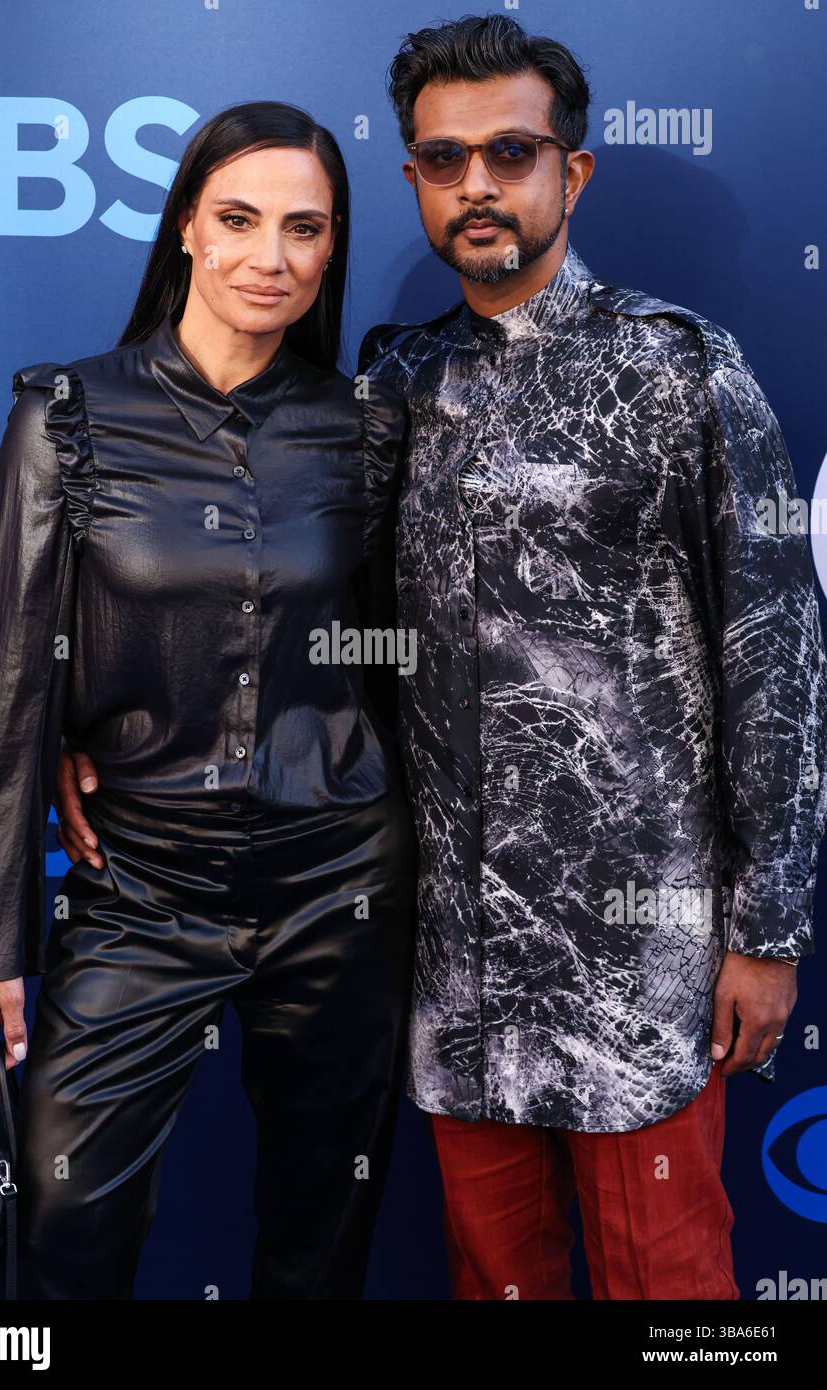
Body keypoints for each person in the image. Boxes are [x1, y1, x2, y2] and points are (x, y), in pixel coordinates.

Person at [354, 15, 825, 1298]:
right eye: (443, 160)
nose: (478, 186)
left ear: (575, 171)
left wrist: (767, 930)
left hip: (644, 963)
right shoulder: (397, 384)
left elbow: (775, 656)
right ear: (413, 182)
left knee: (668, 1286)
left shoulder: (678, 368)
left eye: (511, 152)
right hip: (460, 970)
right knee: (491, 1278)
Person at [0, 100, 417, 1300]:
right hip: (140, 886)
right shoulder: (67, 416)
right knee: (61, 1214)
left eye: (304, 229)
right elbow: (15, 682)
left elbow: (394, 654)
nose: (272, 257)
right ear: (185, 232)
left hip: (341, 884)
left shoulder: (363, 425)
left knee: (324, 1224)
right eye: (239, 219)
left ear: (330, 250)